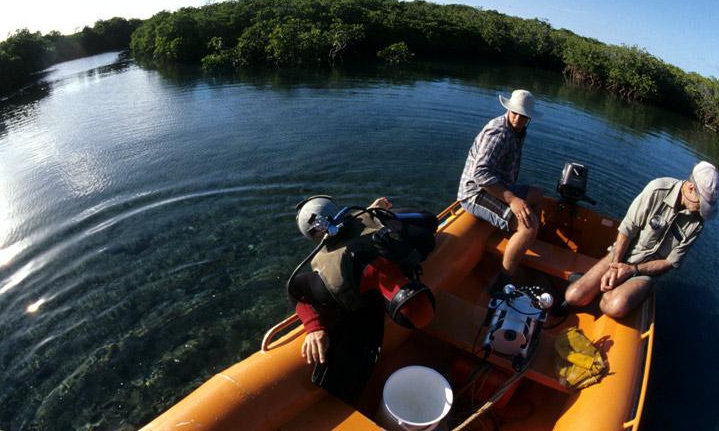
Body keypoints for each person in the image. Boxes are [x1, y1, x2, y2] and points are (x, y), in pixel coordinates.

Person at [288, 196, 438, 402]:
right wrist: (376, 214)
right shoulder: (393, 233)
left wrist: (314, 328)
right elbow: (428, 219)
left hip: (363, 307)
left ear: (313, 237)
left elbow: (295, 291)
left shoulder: (324, 279)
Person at [564, 161, 717, 318]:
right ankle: (600, 286)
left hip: (646, 272)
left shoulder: (698, 223)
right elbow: (627, 230)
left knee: (613, 307)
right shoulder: (657, 189)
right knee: (573, 296)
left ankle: (637, 290)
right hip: (621, 255)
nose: (703, 211)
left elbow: (670, 262)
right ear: (691, 188)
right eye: (701, 205)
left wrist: (632, 270)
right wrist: (615, 267)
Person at [457, 89, 543, 287]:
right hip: (476, 193)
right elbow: (480, 175)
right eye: (515, 113)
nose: (518, 118)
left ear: (529, 118)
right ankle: (502, 282)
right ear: (509, 109)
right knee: (528, 227)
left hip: (500, 187)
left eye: (523, 116)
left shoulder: (519, 130)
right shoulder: (498, 133)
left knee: (537, 195)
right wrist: (512, 200)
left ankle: (522, 243)